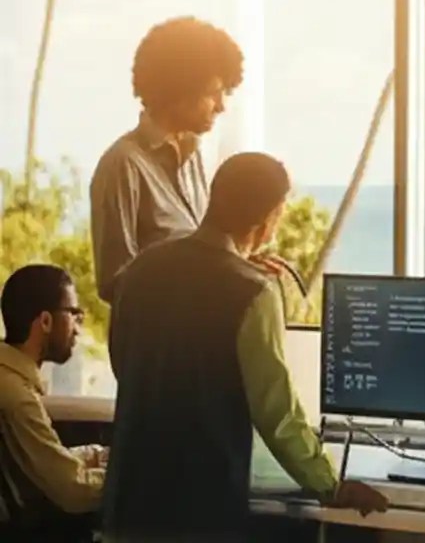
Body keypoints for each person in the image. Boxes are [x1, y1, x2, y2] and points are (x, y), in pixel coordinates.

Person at [102, 152, 386, 542]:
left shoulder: (139, 269)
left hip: (128, 500)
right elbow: (276, 413)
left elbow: (124, 363)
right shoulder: (253, 291)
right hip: (199, 509)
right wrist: (329, 483)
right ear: (267, 219)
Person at [89, 16, 243, 303]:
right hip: (153, 345)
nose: (221, 106)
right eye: (213, 93)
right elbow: (114, 281)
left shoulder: (194, 157)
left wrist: (238, 268)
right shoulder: (123, 165)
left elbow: (201, 254)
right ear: (180, 90)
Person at [0, 265, 106, 526]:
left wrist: (97, 455)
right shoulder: (16, 396)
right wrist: (133, 473)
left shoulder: (12, 382)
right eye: (74, 314)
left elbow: (46, 458)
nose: (78, 329)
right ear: (45, 321)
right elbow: (73, 491)